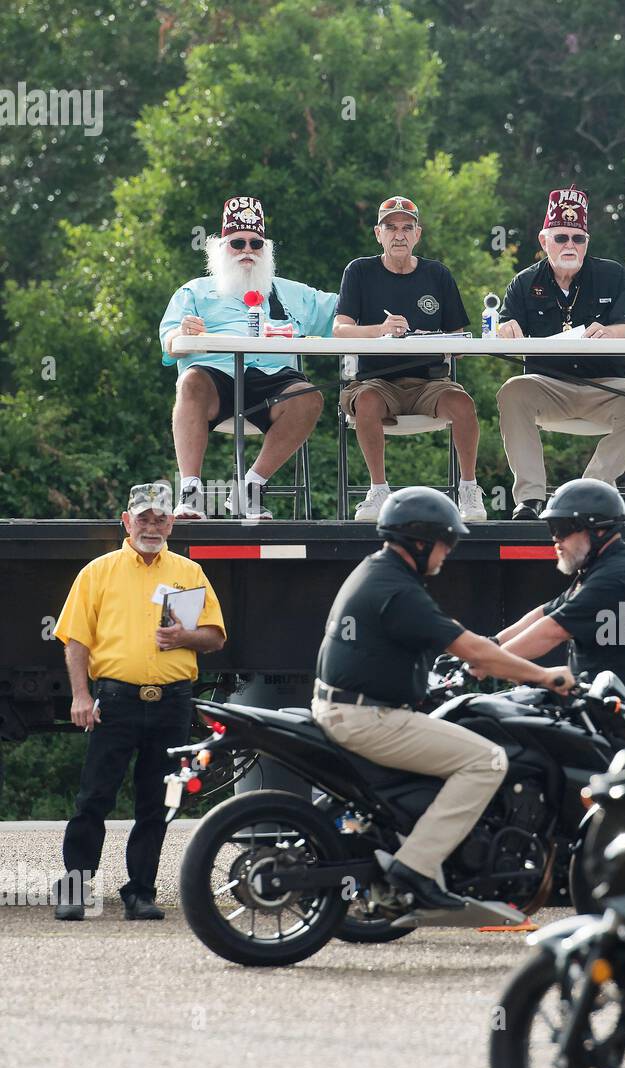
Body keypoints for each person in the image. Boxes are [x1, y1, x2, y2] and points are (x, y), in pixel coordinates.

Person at [311, 487, 574, 913]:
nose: (448, 551)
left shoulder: (378, 573)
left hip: (347, 707)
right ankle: (413, 869)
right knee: (487, 761)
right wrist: (545, 675)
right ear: (419, 542)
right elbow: (473, 650)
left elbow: (439, 631)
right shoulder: (399, 590)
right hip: (367, 717)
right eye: (445, 541)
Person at [50, 483, 227, 920]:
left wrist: (184, 636)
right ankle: (76, 889)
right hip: (116, 699)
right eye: (143, 518)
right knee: (94, 797)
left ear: (172, 523)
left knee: (155, 802)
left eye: (160, 518)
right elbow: (75, 640)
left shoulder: (189, 572)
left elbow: (215, 637)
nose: (152, 525)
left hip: (171, 703)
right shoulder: (99, 572)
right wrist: (80, 695)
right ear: (126, 521)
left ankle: (141, 892)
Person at [493, 479, 625, 741]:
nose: (555, 538)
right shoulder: (603, 567)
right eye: (553, 528)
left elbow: (550, 632)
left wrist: (482, 664)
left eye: (563, 528)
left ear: (598, 530)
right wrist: (490, 644)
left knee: (558, 744)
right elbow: (545, 612)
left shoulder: (616, 577)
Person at [159, 196, 336, 520]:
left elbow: (345, 312)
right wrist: (181, 332)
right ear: (220, 248)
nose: (247, 251)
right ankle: (191, 491)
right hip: (216, 377)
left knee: (309, 397)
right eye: (237, 243)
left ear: (266, 249)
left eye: (256, 244)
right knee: (190, 382)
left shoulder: (291, 292)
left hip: (275, 381)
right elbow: (170, 343)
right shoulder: (195, 291)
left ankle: (250, 487)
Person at [497, 185, 625, 520]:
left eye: (578, 238)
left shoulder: (612, 274)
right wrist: (505, 329)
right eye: (561, 238)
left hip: (606, 386)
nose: (569, 245)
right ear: (544, 241)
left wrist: (610, 332)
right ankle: (530, 499)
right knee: (512, 392)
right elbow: (502, 327)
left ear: (587, 242)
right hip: (549, 386)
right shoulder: (523, 283)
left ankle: (591, 489)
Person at [335, 195, 487, 523]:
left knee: (463, 405)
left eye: (407, 227)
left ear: (418, 234)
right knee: (368, 401)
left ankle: (469, 489)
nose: (399, 235)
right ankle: (378, 490)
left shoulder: (438, 274)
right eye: (391, 227)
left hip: (429, 382)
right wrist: (381, 330)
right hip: (375, 380)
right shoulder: (359, 271)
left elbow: (458, 341)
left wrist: (432, 340)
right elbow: (339, 331)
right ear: (378, 234)